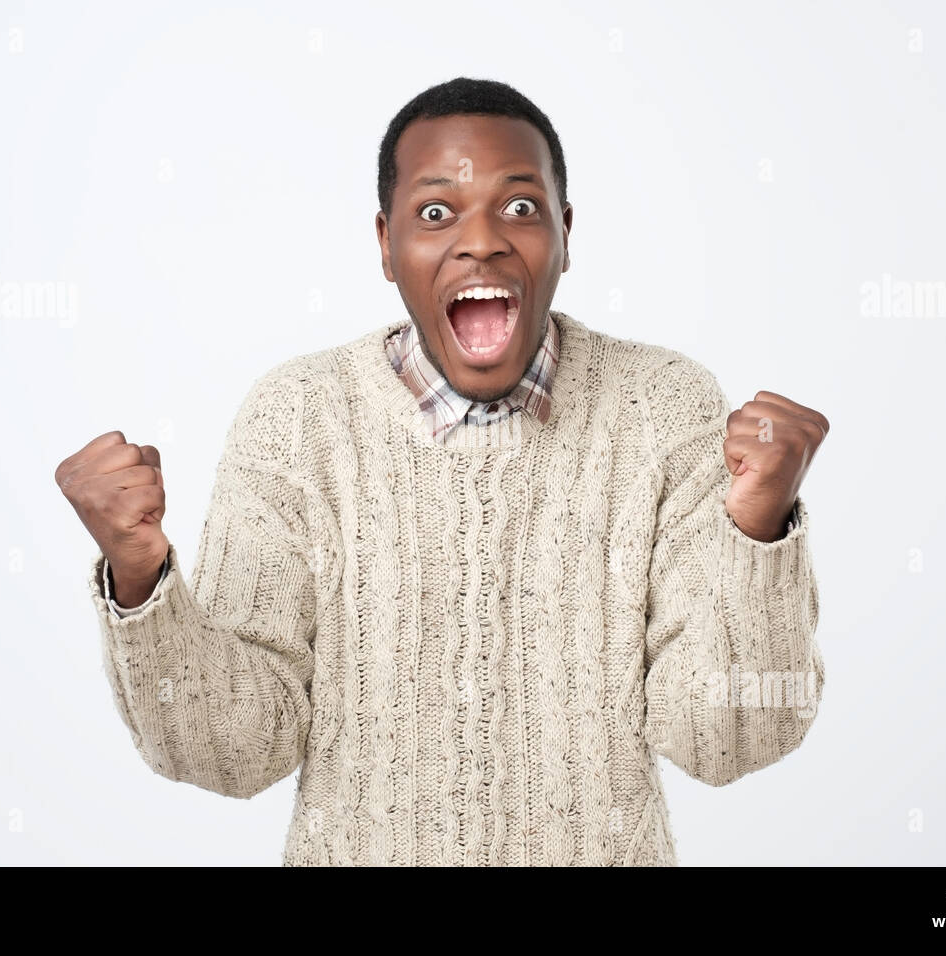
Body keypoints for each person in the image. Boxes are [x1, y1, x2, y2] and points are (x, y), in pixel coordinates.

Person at [54, 76, 830, 866]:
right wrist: (140, 575)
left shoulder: (663, 406)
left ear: (565, 234)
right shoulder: (296, 418)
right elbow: (236, 750)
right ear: (386, 245)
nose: (483, 240)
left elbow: (724, 739)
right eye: (435, 213)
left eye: (521, 208)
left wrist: (758, 528)